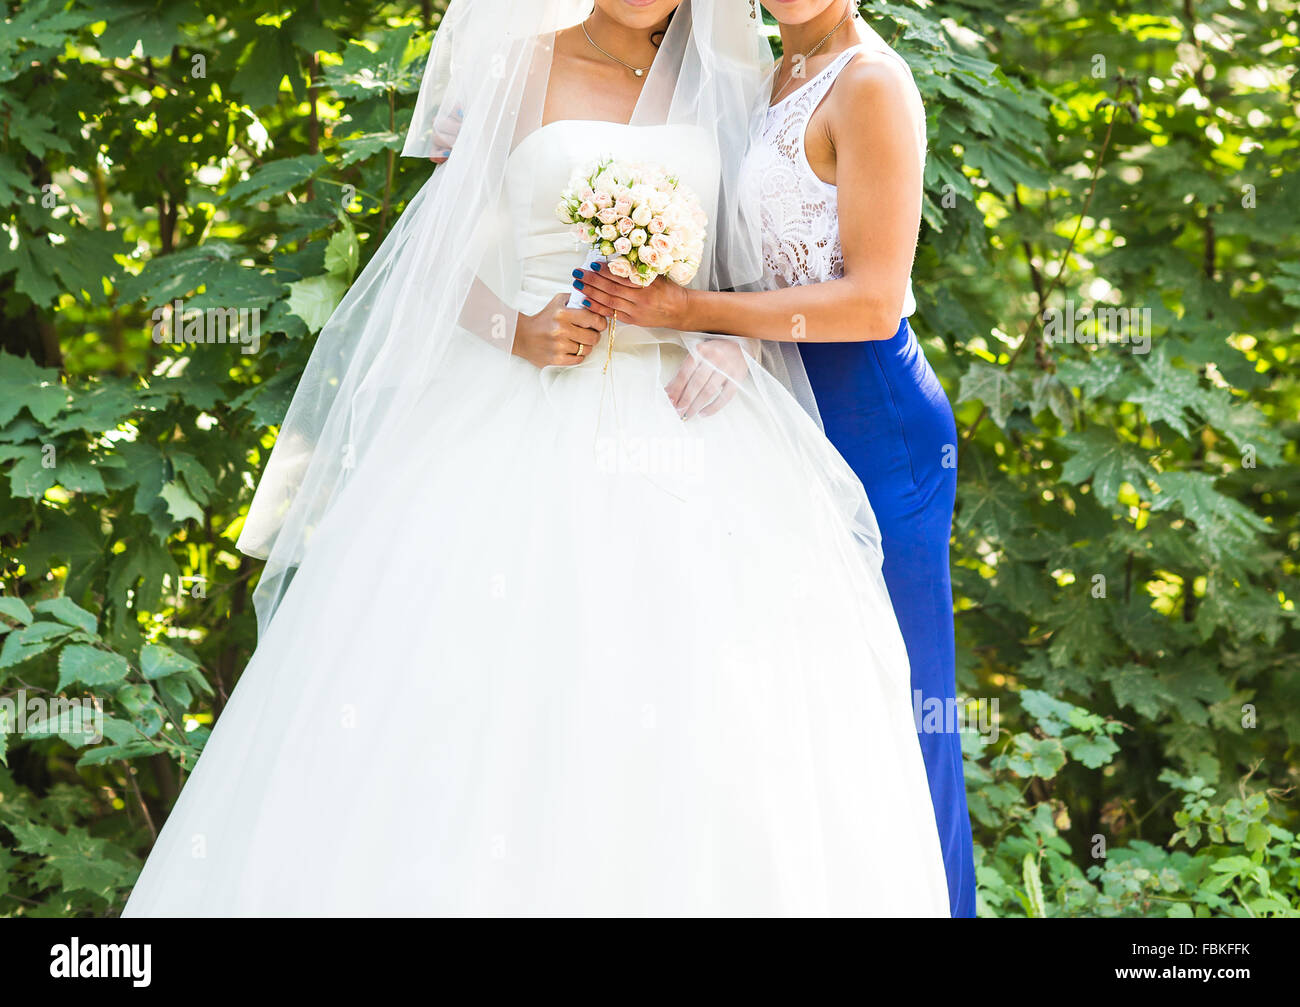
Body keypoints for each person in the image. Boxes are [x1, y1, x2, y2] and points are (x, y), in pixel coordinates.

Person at [123, 0, 949, 917]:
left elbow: (751, 260)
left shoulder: (735, 81)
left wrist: (732, 338)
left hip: (688, 415)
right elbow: (436, 262)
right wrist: (514, 330)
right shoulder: (513, 72)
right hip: (522, 404)